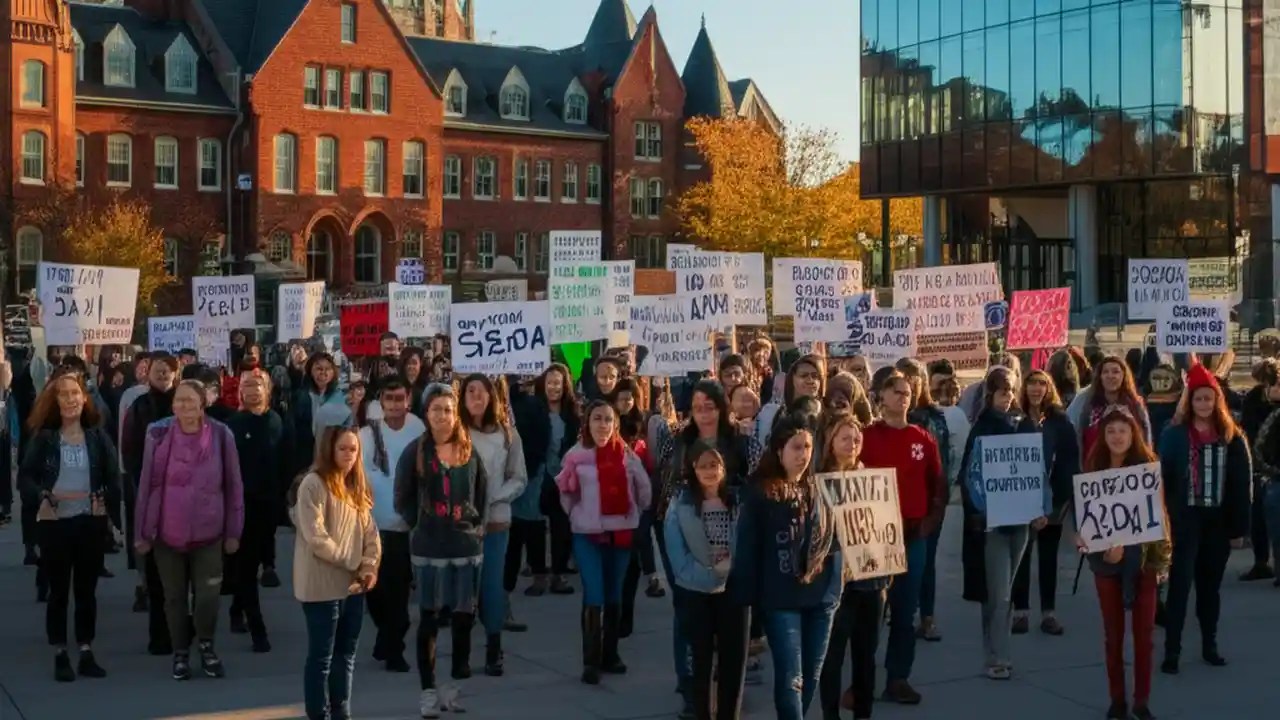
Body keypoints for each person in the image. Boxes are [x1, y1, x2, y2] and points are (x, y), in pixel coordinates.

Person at [731, 415, 840, 720]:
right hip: (780, 601)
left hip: (820, 599)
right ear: (779, 451)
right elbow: (748, 550)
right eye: (796, 447)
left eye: (807, 446)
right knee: (792, 678)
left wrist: (834, 591)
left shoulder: (818, 489)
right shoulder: (760, 493)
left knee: (811, 677)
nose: (803, 454)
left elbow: (834, 539)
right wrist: (747, 610)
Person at [134, 379, 244, 681]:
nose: (185, 406)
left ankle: (206, 645)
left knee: (208, 595)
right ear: (172, 405)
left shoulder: (222, 435)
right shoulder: (157, 434)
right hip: (166, 533)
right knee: (174, 597)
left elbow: (234, 486)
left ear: (202, 404)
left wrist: (234, 530)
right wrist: (141, 532)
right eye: (179, 400)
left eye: (190, 400)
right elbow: (146, 484)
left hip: (210, 531)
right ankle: (180, 652)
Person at [19, 372, 120, 682]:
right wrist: (41, 495)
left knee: (86, 591)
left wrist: (114, 522)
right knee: (59, 591)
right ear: (54, 401)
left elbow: (112, 479)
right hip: (55, 523)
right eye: (63, 394)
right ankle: (60, 652)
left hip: (89, 522)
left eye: (75, 393)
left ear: (84, 398)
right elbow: (25, 478)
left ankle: (86, 649)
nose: (71, 399)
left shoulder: (97, 437)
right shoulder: (45, 438)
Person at [655, 379, 750, 709]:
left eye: (710, 407)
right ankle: (691, 694)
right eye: (697, 408)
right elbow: (664, 488)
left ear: (721, 407)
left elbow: (751, 486)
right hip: (686, 537)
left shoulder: (739, 441)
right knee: (689, 628)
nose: (704, 414)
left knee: (730, 643)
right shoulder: (679, 441)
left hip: (728, 541)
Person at [395, 384, 487, 717]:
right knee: (430, 619)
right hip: (429, 549)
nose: (443, 416)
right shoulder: (415, 451)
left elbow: (482, 492)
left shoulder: (468, 450)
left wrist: (476, 527)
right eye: (436, 410)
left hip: (465, 548)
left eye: (448, 409)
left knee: (464, 617)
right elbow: (402, 496)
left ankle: (452, 687)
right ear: (426, 414)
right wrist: (419, 523)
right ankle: (428, 690)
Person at [1157, 364, 1251, 674]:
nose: (1204, 405)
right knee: (1179, 587)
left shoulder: (1232, 436)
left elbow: (1241, 485)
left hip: (1217, 522)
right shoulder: (1173, 435)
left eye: (1209, 399)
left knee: (1210, 589)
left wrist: (1239, 528)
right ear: (1189, 402)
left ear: (1218, 401)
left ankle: (1209, 645)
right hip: (1185, 521)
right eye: (1198, 399)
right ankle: (1172, 651)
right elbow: (1162, 479)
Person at [859, 371, 945, 704]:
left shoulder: (923, 438)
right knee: (868, 614)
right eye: (896, 391)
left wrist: (928, 523)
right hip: (874, 537)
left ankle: (898, 678)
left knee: (905, 612)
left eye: (908, 391)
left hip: (912, 536)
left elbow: (937, 486)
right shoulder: (866, 437)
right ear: (880, 396)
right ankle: (861, 681)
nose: (903, 396)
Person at [1080, 406, 1171, 720]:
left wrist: (1162, 563)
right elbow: (1087, 524)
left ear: (1134, 434)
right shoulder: (1093, 471)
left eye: (1123, 430)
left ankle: (1141, 701)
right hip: (1107, 566)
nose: (1117, 436)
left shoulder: (1148, 468)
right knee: (1113, 635)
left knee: (1144, 637)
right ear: (1103, 437)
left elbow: (1160, 519)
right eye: (1111, 431)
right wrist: (1094, 546)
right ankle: (1117, 700)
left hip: (1143, 564)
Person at [958, 368, 1047, 679]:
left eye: (1010, 391)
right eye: (1001, 391)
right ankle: (997, 657)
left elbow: (1037, 473)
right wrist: (984, 511)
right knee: (998, 592)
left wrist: (1041, 508)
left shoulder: (1026, 425)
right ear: (990, 395)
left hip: (1021, 523)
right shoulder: (981, 428)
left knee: (1007, 589)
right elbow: (970, 478)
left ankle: (996, 649)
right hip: (992, 525)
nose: (1007, 397)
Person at [556, 400, 652, 685]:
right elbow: (566, 493)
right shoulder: (575, 455)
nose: (602, 425)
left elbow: (644, 491)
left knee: (614, 594)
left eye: (608, 419)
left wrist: (633, 514)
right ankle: (591, 660)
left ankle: (611, 654)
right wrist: (577, 514)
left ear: (616, 424)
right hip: (588, 535)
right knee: (594, 592)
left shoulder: (627, 456)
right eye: (597, 419)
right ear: (587, 423)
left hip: (620, 532)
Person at [292, 425, 381, 720]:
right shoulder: (313, 484)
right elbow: (316, 537)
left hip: (353, 588)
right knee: (322, 658)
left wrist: (369, 566)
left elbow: (371, 534)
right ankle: (318, 714)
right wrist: (353, 561)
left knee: (348, 656)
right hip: (320, 587)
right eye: (342, 448)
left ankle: (342, 712)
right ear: (329, 450)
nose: (348, 455)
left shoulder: (356, 485)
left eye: (353, 449)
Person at [664, 442, 747, 720]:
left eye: (715, 465)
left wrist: (731, 577)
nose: (710, 471)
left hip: (733, 593)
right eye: (703, 465)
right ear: (693, 470)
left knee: (732, 664)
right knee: (700, 662)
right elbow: (678, 557)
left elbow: (747, 546)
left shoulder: (738, 503)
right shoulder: (681, 503)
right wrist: (710, 578)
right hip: (696, 592)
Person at [817, 413, 887, 720]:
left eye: (856, 438)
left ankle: (863, 712)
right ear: (831, 443)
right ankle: (830, 713)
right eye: (844, 438)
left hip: (871, 581)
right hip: (836, 585)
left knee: (865, 656)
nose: (852, 444)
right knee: (831, 657)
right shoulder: (820, 482)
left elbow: (885, 530)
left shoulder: (873, 479)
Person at [459, 374, 528, 675]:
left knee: (491, 587)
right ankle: (461, 653)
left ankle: (493, 647)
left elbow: (519, 478)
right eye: (469, 391)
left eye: (481, 391)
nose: (476, 397)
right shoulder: (455, 433)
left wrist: (495, 499)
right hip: (460, 525)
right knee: (462, 589)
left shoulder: (507, 434)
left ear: (491, 396)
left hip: (496, 523)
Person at [896, 358, 969, 642]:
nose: (911, 384)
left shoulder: (935, 417)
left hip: (929, 504)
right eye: (905, 378)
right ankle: (900, 614)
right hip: (897, 505)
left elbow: (944, 461)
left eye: (916, 378)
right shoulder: (891, 419)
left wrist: (941, 497)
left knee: (925, 561)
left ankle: (927, 617)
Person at [358, 378, 425, 674]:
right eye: (389, 398)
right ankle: (386, 634)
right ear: (381, 402)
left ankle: (394, 648)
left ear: (408, 399)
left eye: (400, 398)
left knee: (398, 590)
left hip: (404, 524)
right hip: (373, 523)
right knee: (374, 589)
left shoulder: (419, 429)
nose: (395, 404)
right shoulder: (366, 434)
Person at [1012, 369, 1081, 636]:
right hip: (1020, 500)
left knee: (1048, 557)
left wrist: (1061, 499)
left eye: (1041, 383)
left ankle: (1048, 613)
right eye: (1031, 383)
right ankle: (1020, 612)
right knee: (1021, 555)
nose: (1036, 389)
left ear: (1048, 388)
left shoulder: (1060, 422)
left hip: (1052, 499)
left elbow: (1069, 461)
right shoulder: (1015, 420)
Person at [226, 369, 290, 653]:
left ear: (269, 390)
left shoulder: (277, 421)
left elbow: (288, 460)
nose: (252, 390)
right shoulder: (233, 425)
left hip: (270, 504)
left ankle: (236, 608)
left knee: (252, 561)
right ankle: (257, 628)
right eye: (247, 385)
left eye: (258, 385)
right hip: (242, 505)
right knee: (246, 564)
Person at [121, 353, 179, 650]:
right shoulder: (139, 406)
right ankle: (159, 633)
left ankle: (183, 629)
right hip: (151, 495)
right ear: (148, 373)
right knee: (156, 569)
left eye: (168, 370)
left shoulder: (185, 403)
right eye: (158, 370)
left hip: (182, 498)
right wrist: (141, 485)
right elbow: (130, 451)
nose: (163, 374)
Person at [510, 364, 580, 597]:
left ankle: (557, 574)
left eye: (557, 383)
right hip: (538, 474)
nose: (553, 387)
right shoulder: (532, 407)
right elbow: (512, 405)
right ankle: (539, 574)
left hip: (563, 476)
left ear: (564, 385)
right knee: (535, 526)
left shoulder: (571, 414)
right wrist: (517, 389)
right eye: (549, 382)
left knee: (561, 526)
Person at [1239, 359, 1280, 581]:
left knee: (1261, 518)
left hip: (1261, 465)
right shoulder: (1256, 398)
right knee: (1263, 518)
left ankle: (1262, 561)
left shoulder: (1253, 398)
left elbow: (1247, 429)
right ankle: (1264, 562)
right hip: (1263, 464)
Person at [1067, 355, 1152, 459]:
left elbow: (1146, 438)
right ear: (1100, 376)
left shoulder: (1136, 405)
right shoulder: (1087, 404)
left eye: (1115, 372)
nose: (1110, 376)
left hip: (1129, 467)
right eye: (1105, 372)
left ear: (1124, 376)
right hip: (1094, 467)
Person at [290, 353, 352, 482]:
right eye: (318, 368)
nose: (323, 373)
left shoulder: (342, 397)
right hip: (304, 460)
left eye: (327, 369)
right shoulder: (300, 396)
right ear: (310, 371)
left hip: (332, 459)